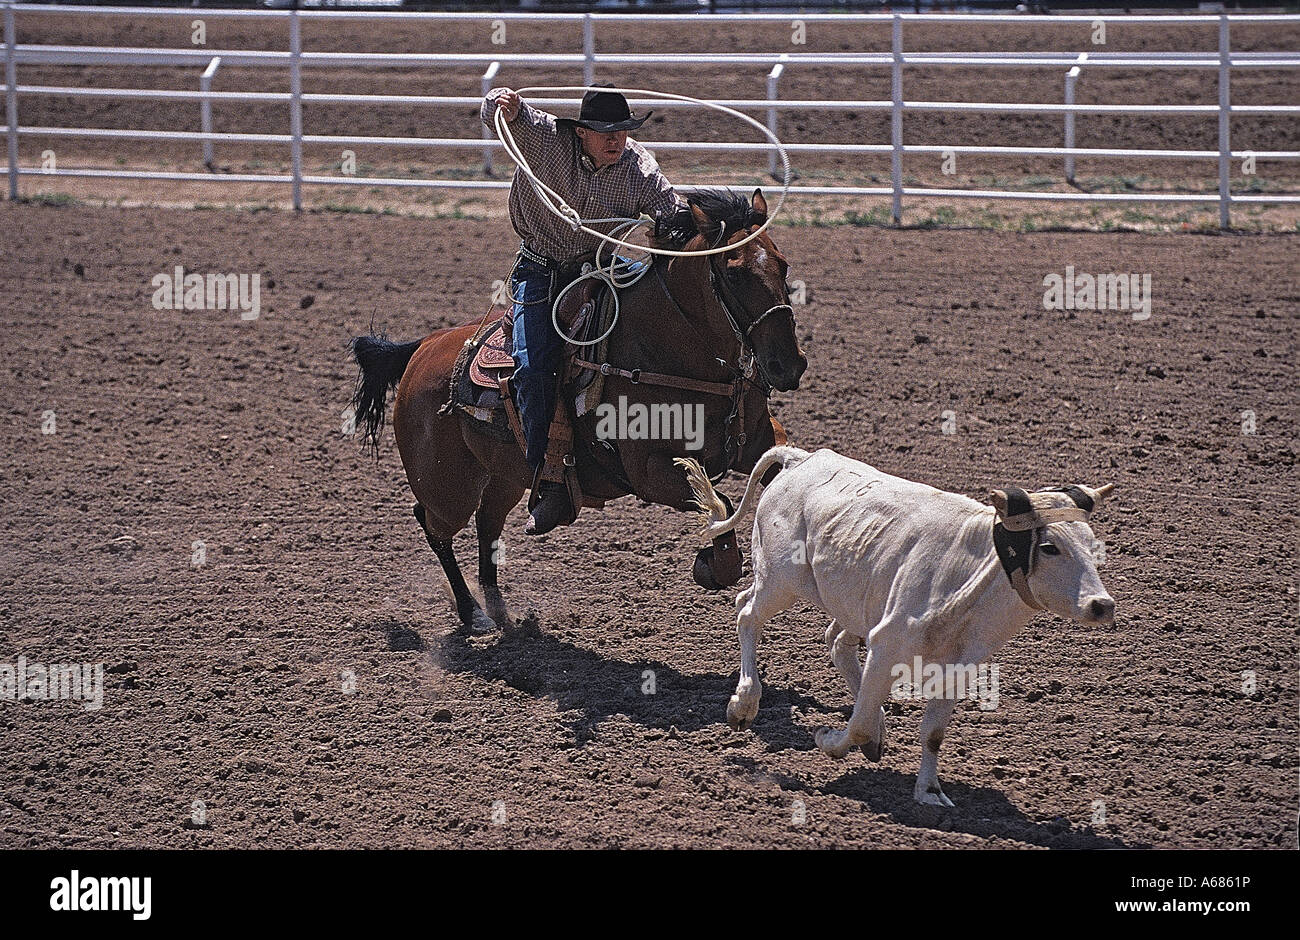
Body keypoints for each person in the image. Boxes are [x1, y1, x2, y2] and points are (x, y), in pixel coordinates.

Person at [481, 84, 685, 535]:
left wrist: (698, 223)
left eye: (623, 132)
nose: (616, 140)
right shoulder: (548, 140)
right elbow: (502, 118)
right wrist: (504, 103)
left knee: (657, 324)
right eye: (605, 132)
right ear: (581, 133)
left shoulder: (638, 169)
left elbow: (671, 211)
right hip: (541, 270)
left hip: (601, 266)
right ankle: (546, 479)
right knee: (534, 368)